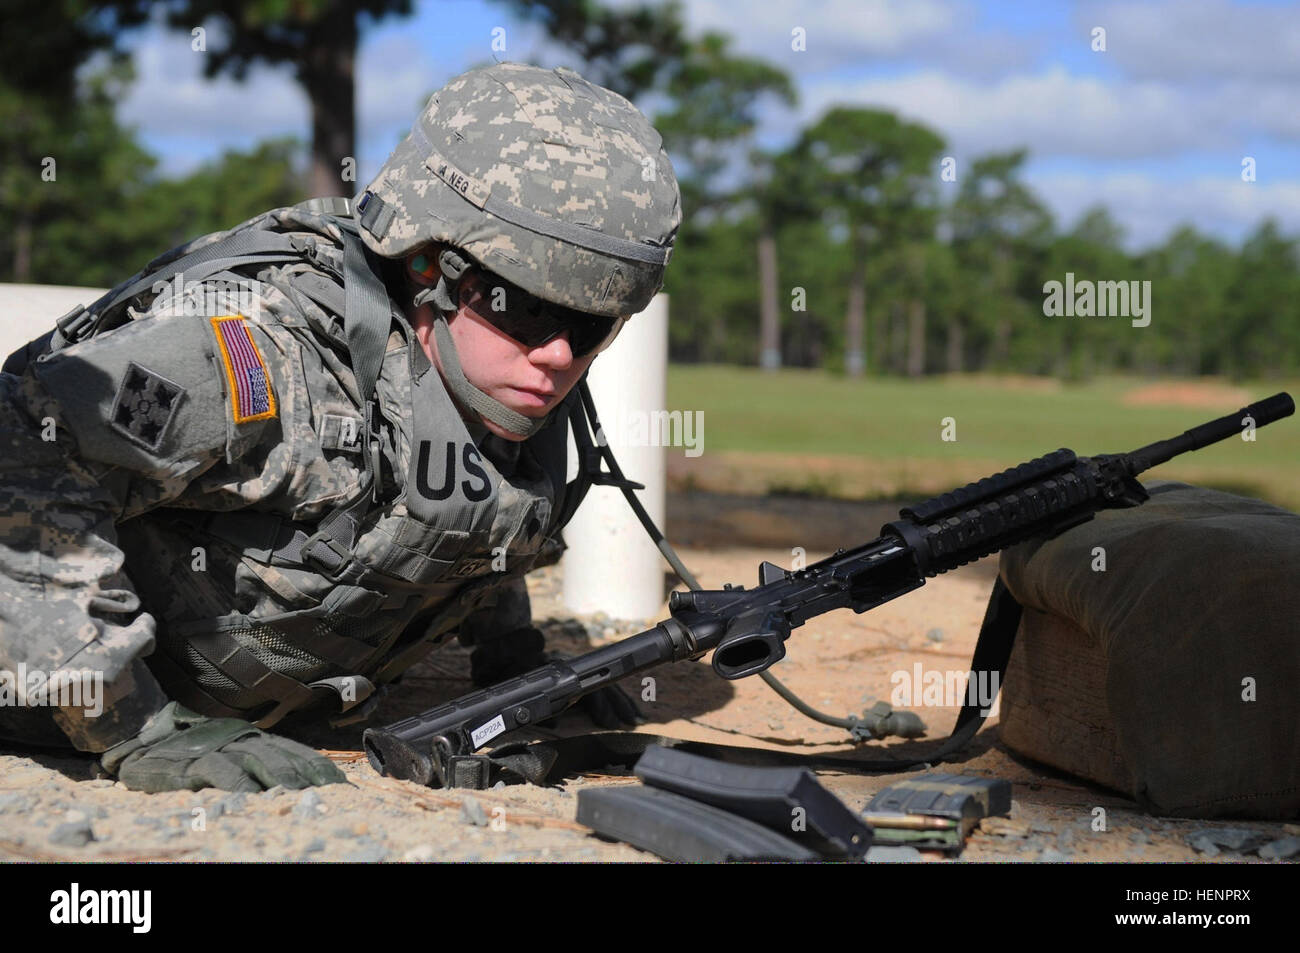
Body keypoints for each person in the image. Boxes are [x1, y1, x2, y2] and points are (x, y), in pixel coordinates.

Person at [0, 62, 681, 793]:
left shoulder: (497, 380)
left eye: (590, 325)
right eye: (524, 306)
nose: (555, 353)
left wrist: (514, 662)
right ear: (428, 266)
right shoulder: (267, 355)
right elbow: (22, 440)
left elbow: (474, 500)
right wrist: (130, 725)